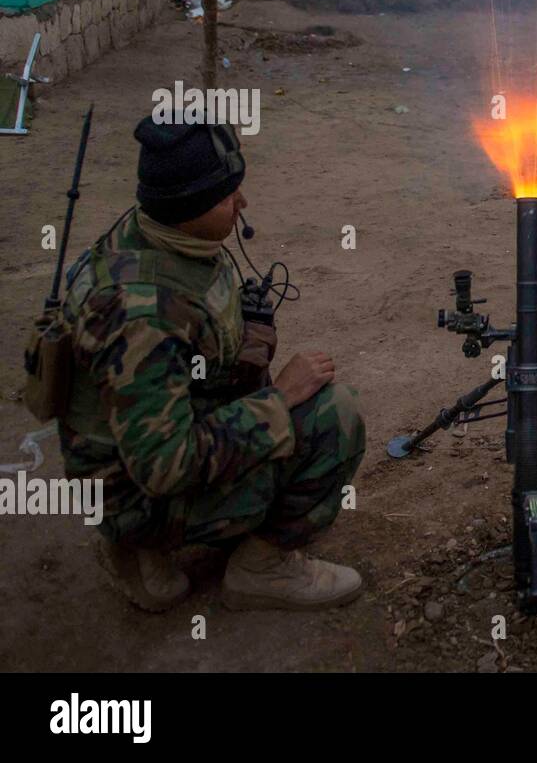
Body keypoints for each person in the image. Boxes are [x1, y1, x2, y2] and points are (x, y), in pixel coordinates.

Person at [57, 115, 366, 612]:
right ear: (188, 208)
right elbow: (165, 467)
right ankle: (255, 566)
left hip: (124, 462)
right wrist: (278, 399)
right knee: (336, 414)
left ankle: (140, 549)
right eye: (228, 196)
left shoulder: (150, 235)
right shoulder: (142, 315)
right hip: (143, 489)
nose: (241, 203)